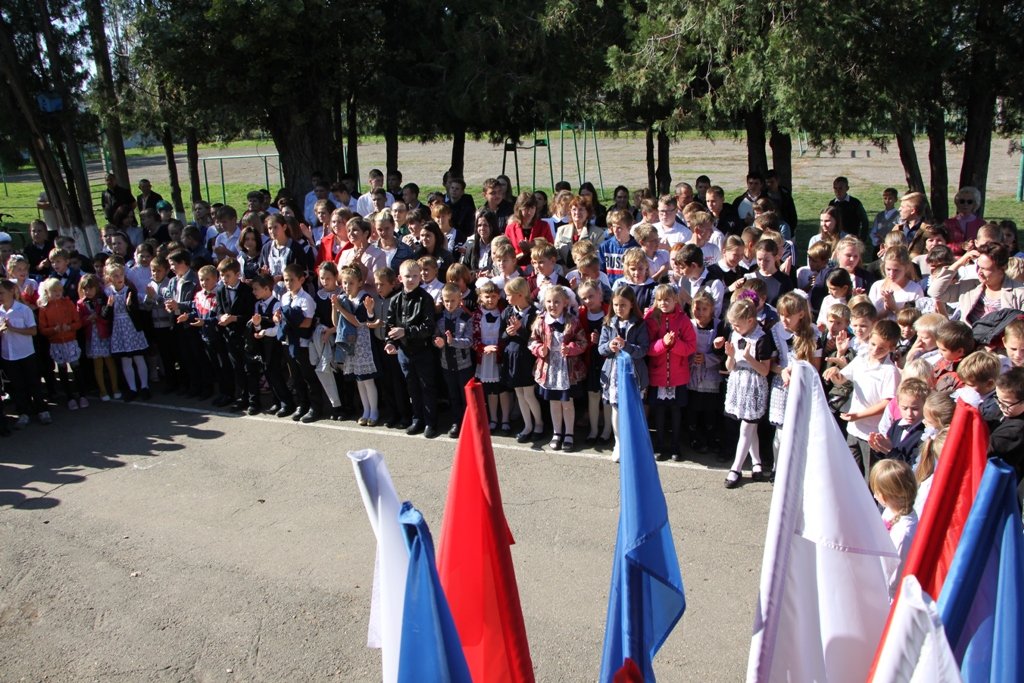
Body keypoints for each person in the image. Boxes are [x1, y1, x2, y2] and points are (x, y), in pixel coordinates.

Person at [824, 319, 901, 479]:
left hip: (872, 434)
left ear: (892, 348)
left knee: (869, 477)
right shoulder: (861, 359)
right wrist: (834, 373)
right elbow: (842, 379)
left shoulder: (889, 371)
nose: (875, 350)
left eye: (881, 348)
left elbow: (888, 403)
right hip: (854, 429)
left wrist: (859, 415)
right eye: (872, 344)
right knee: (850, 475)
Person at [722, 295, 773, 488]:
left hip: (754, 385)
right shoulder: (735, 335)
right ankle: (757, 463)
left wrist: (750, 358)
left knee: (746, 427)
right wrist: (730, 356)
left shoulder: (761, 338)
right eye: (732, 325)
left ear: (750, 321)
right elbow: (730, 367)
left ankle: (736, 468)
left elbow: (765, 370)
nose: (734, 328)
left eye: (737, 325)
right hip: (738, 383)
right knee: (750, 427)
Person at [385, 260, 439, 438]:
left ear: (420, 278)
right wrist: (390, 342)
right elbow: (390, 324)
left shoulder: (425, 299)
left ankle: (430, 422)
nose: (411, 279)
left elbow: (428, 327)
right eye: (407, 276)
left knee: (427, 387)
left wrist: (406, 331)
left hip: (423, 351)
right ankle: (417, 419)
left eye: (415, 276)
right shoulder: (395, 300)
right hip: (404, 352)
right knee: (412, 387)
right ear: (400, 278)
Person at [530, 285, 588, 452]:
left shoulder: (572, 321)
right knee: (554, 403)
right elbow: (532, 340)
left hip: (567, 370)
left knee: (567, 403)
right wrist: (539, 349)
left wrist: (570, 348)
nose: (552, 305)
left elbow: (583, 342)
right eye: (549, 301)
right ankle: (557, 433)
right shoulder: (541, 321)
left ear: (565, 303)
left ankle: (569, 433)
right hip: (549, 369)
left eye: (557, 302)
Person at [644, 283, 696, 462]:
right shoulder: (651, 319)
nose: (663, 303)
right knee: (659, 411)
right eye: (659, 300)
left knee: (676, 412)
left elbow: (690, 347)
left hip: (678, 375)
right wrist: (663, 344)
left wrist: (674, 344)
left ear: (675, 300)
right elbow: (648, 348)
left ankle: (675, 446)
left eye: (667, 299)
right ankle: (659, 445)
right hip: (658, 374)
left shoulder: (683, 320)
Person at [598, 286, 650, 459]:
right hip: (614, 372)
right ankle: (619, 443)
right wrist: (609, 346)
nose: (618, 309)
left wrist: (626, 346)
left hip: (633, 373)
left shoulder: (639, 324)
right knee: (616, 408)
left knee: (633, 409)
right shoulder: (608, 323)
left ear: (631, 304)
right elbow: (600, 349)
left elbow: (643, 350)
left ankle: (633, 443)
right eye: (615, 305)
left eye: (623, 305)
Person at [275, 263, 323, 424]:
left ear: (301, 280)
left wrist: (288, 319)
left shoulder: (306, 299)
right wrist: (279, 318)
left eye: (292, 280)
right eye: (286, 280)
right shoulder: (284, 297)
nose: (288, 283)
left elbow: (307, 322)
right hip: (288, 342)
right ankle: (303, 404)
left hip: (302, 344)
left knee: (308, 376)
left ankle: (315, 407)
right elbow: (282, 316)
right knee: (295, 376)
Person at [0, 279, 50, 427]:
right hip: (8, 356)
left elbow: (33, 331)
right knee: (17, 386)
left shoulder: (23, 310)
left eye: (2, 293)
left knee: (33, 382)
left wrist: (13, 329)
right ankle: (24, 413)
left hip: (26, 354)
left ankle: (42, 410)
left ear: (11, 292)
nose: (0, 296)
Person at [768, 293, 821, 430]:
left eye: (788, 316)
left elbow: (815, 367)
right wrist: (783, 371)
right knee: (781, 431)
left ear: (801, 314)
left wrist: (797, 371)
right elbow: (770, 363)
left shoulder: (814, 334)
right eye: (781, 315)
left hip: (803, 384)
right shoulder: (776, 331)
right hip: (782, 383)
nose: (783, 319)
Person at [335, 264, 380, 426]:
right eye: (344, 283)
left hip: (363, 342)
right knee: (358, 380)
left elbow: (357, 321)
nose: (347, 286)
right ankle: (365, 410)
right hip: (351, 343)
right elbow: (336, 322)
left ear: (360, 283)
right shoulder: (344, 298)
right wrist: (335, 307)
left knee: (367, 379)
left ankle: (374, 411)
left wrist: (340, 308)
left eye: (351, 283)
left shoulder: (363, 297)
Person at [501, 277, 543, 443]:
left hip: (526, 358)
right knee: (519, 394)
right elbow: (501, 335)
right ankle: (527, 426)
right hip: (512, 357)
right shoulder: (508, 312)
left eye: (509, 295)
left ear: (520, 295)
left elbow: (535, 339)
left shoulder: (534, 313)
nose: (506, 298)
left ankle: (539, 424)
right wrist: (508, 333)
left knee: (529, 394)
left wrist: (520, 330)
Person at [870, 458, 919, 598]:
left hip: (889, 598)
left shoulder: (904, 534)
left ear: (885, 496)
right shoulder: (890, 510)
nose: (874, 496)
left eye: (876, 492)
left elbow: (893, 582)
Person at [103, 261, 150, 401]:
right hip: (118, 329)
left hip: (132, 328)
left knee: (138, 357)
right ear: (110, 278)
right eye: (115, 276)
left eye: (121, 275)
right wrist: (109, 306)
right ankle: (132, 388)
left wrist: (130, 305)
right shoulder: (107, 293)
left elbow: (136, 312)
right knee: (126, 360)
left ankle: (144, 386)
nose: (119, 278)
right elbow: (105, 316)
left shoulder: (129, 290)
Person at [214, 258, 257, 412]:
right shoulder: (220, 290)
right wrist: (222, 317)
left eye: (227, 275)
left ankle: (253, 400)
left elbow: (250, 314)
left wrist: (234, 318)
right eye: (221, 275)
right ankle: (242, 397)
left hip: (244, 335)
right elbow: (219, 310)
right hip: (229, 335)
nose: (224, 279)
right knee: (237, 368)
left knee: (249, 368)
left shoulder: (246, 290)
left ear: (237, 274)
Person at [434, 283, 474, 438]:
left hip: (464, 365)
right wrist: (438, 343)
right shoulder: (440, 319)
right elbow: (435, 337)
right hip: (446, 364)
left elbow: (469, 341)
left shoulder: (466, 318)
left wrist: (453, 341)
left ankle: (470, 421)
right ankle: (456, 421)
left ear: (459, 299)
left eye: (452, 300)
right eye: (446, 301)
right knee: (453, 395)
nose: (449, 304)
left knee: (465, 395)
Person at [38, 277, 84, 410]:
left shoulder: (68, 303)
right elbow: (43, 329)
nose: (57, 293)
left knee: (76, 367)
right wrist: (54, 330)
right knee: (62, 370)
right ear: (47, 292)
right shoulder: (44, 308)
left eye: (59, 290)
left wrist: (70, 327)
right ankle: (70, 397)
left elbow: (78, 322)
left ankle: (82, 395)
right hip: (56, 343)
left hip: (70, 340)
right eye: (54, 291)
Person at [248, 274, 291, 416]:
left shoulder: (276, 305)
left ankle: (287, 403)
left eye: (256, 289)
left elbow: (278, 328)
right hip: (263, 344)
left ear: (266, 288)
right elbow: (257, 325)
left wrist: (264, 332)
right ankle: (276, 401)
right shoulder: (257, 305)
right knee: (268, 373)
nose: (253, 292)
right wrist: (257, 326)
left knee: (275, 373)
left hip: (274, 344)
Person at [687, 290, 723, 454]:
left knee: (710, 408)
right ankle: (694, 437)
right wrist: (691, 358)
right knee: (693, 407)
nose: (700, 313)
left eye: (704, 309)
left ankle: (711, 437)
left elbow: (722, 353)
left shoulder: (719, 326)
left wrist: (707, 358)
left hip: (711, 373)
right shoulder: (689, 324)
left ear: (712, 309)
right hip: (692, 372)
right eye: (697, 308)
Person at [472, 281, 511, 432]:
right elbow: (473, 337)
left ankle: (505, 419)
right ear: (481, 297)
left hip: (500, 356)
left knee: (503, 390)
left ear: (498, 297)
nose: (490, 300)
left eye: (494, 296)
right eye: (487, 296)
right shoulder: (477, 315)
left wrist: (499, 348)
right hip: (485, 358)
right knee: (491, 391)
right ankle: (493, 419)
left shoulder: (503, 312)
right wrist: (483, 348)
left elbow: (507, 334)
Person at [868, 378, 929, 466]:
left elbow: (912, 466)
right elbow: (885, 458)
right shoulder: (897, 425)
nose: (909, 414)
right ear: (898, 405)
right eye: (904, 408)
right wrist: (878, 448)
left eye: (915, 409)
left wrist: (890, 450)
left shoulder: (925, 433)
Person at [77, 274, 119, 401]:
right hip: (92, 337)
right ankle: (103, 391)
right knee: (98, 365)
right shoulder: (80, 303)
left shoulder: (102, 299)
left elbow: (107, 317)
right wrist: (88, 319)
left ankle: (115, 388)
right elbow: (79, 321)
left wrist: (98, 318)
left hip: (104, 335)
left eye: (90, 288)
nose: (87, 292)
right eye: (85, 289)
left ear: (96, 288)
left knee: (110, 362)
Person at [578, 279, 611, 444]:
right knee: (592, 394)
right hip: (591, 358)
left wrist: (602, 341)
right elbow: (578, 335)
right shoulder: (582, 314)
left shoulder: (609, 311)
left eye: (591, 296)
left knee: (607, 395)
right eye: (584, 298)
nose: (588, 301)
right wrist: (589, 340)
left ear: (599, 294)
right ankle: (593, 430)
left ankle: (607, 430)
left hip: (607, 359)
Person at [989, 368, 1024, 502]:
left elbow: (987, 447)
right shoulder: (1005, 410)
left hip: (1001, 486)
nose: (1000, 406)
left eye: (1007, 404)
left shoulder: (1017, 430)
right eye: (997, 399)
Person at [868, 245, 923, 320]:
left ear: (906, 268)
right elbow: (869, 319)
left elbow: (916, 321)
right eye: (888, 269)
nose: (891, 274)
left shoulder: (915, 290)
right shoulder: (877, 286)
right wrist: (886, 309)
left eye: (896, 270)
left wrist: (894, 309)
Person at [504, 192, 554, 257]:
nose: (529, 212)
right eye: (526, 208)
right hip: (517, 262)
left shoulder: (544, 226)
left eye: (532, 208)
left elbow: (551, 249)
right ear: (519, 208)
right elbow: (506, 251)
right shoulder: (511, 228)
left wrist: (532, 247)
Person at [598, 209, 640, 285]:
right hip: (609, 286)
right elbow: (601, 270)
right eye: (614, 227)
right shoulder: (605, 246)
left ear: (629, 228)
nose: (616, 230)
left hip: (629, 287)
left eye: (619, 228)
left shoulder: (636, 247)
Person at [944, 186, 985, 251]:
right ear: (957, 203)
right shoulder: (948, 223)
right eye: (962, 201)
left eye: (969, 202)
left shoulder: (982, 225)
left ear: (975, 204)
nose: (965, 204)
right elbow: (943, 245)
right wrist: (961, 246)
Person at [828, 176, 870, 242]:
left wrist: (862, 239)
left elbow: (865, 222)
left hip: (851, 238)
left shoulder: (855, 203)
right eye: (835, 188)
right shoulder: (832, 203)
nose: (837, 191)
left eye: (840, 188)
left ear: (847, 188)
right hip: (836, 238)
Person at [445, 177, 477, 242]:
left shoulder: (467, 208)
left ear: (462, 192)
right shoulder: (445, 206)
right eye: (452, 188)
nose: (454, 190)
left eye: (457, 189)